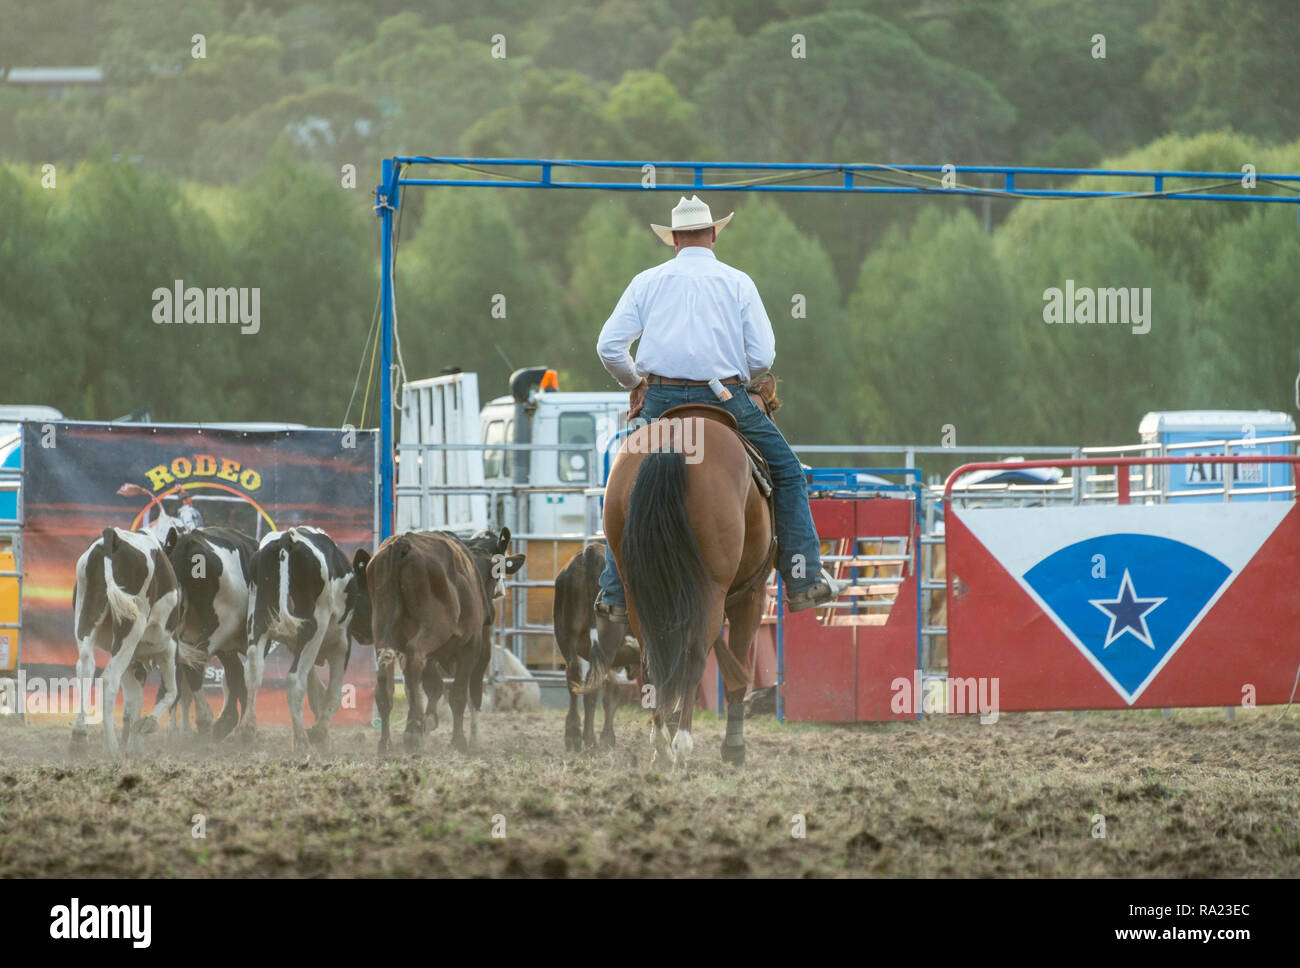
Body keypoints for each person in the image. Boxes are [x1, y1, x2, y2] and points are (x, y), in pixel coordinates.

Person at [593, 194, 849, 622]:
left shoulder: (647, 281)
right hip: (724, 398)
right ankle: (804, 579)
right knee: (787, 471)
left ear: (673, 239)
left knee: (623, 479)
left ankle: (615, 592)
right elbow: (763, 356)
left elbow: (609, 347)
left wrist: (635, 382)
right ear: (713, 235)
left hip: (660, 400)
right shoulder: (737, 282)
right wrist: (737, 377)